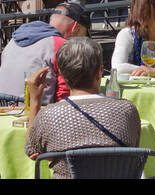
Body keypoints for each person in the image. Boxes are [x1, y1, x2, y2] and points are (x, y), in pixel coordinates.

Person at [23, 36, 143, 178]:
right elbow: (131, 150)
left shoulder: (50, 115)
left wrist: (35, 101)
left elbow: (32, 150)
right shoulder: (127, 110)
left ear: (61, 73)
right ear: (99, 71)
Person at [0, 0, 90, 101]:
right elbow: (64, 94)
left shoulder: (13, 40)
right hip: (32, 112)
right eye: (84, 36)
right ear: (76, 28)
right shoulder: (62, 45)